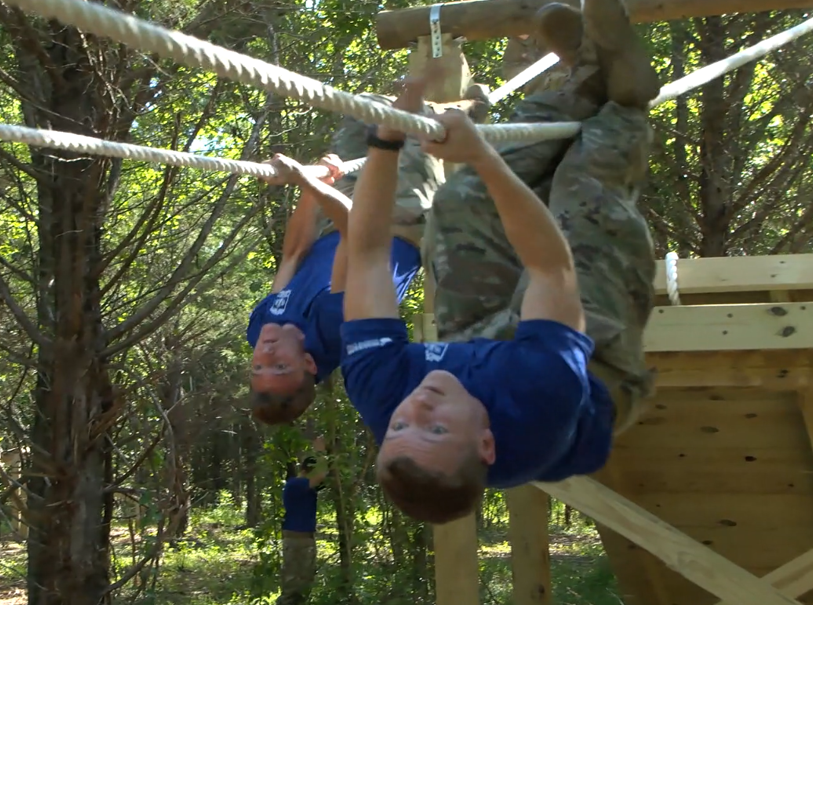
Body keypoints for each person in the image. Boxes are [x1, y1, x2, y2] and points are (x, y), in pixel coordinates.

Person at [338, 0, 661, 524]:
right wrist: (484, 155)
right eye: (436, 429)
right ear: (486, 445)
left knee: (461, 202)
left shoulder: (382, 392)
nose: (416, 409)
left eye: (399, 428)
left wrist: (387, 138)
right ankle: (625, 107)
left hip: (475, 344)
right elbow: (551, 269)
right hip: (598, 369)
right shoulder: (540, 400)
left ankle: (584, 78)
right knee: (582, 204)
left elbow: (369, 252)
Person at [246, 84, 481, 426]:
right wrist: (305, 181)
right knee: (415, 122)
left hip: (339, 212)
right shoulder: (337, 327)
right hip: (397, 219)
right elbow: (356, 232)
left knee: (368, 108)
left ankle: (452, 109)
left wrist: (315, 179)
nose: (266, 352)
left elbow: (294, 252)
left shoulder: (260, 330)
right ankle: (465, 111)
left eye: (258, 366)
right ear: (309, 365)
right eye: (280, 365)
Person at [277, 436, 329, 605]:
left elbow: (324, 479)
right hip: (296, 539)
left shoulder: (303, 487)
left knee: (304, 584)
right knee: (292, 586)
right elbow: (322, 475)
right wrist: (321, 451)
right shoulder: (297, 484)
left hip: (303, 539)